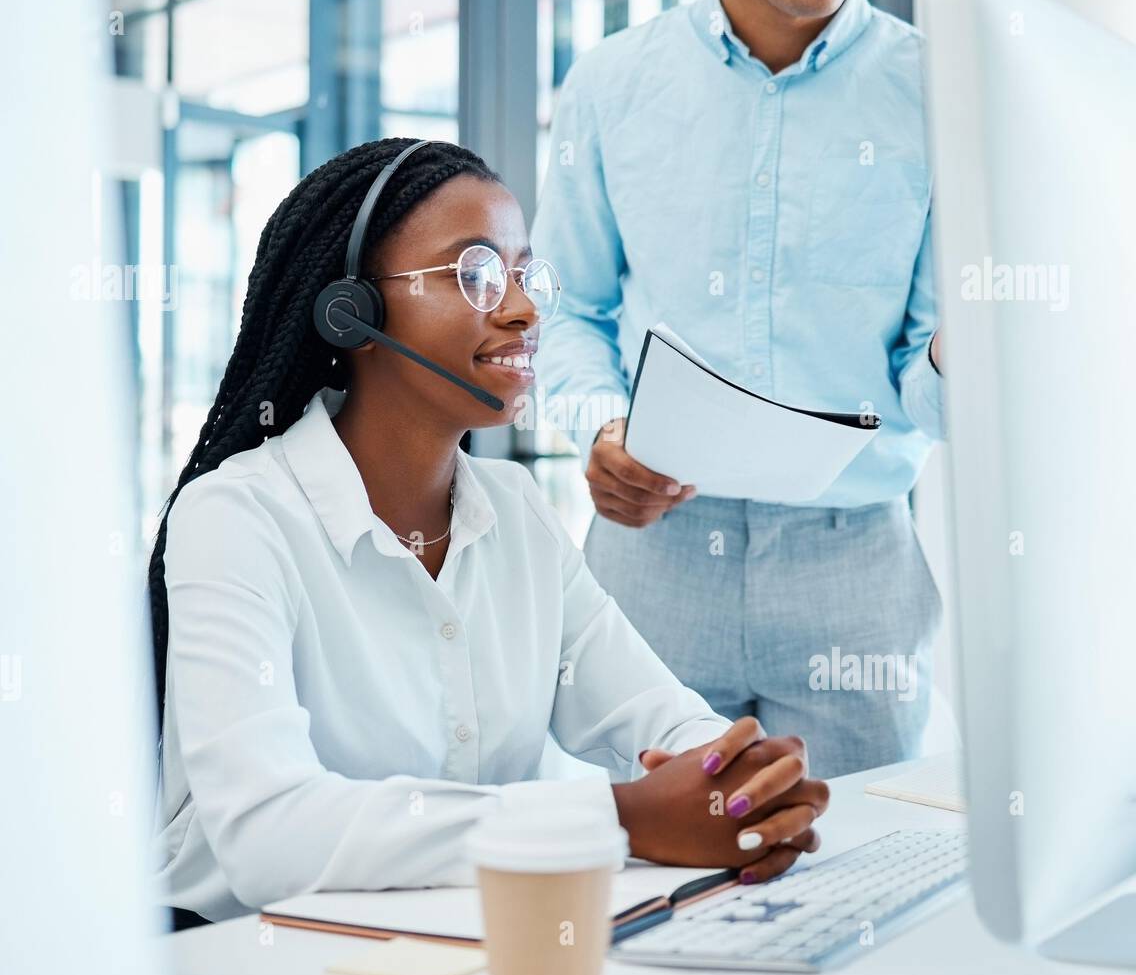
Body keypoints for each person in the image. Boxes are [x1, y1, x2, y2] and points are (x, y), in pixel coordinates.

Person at [149, 138, 829, 927]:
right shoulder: (237, 518)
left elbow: (658, 715)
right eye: (475, 274)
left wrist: (744, 781)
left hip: (454, 939)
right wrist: (620, 818)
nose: (525, 309)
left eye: (526, 274)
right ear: (352, 312)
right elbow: (267, 834)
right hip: (240, 962)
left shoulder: (516, 511)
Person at [530, 0, 944, 780]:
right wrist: (599, 426)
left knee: (861, 863)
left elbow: (923, 373)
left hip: (854, 561)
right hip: (652, 551)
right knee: (633, 868)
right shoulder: (611, 87)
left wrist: (966, 356)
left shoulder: (934, 94)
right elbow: (566, 312)